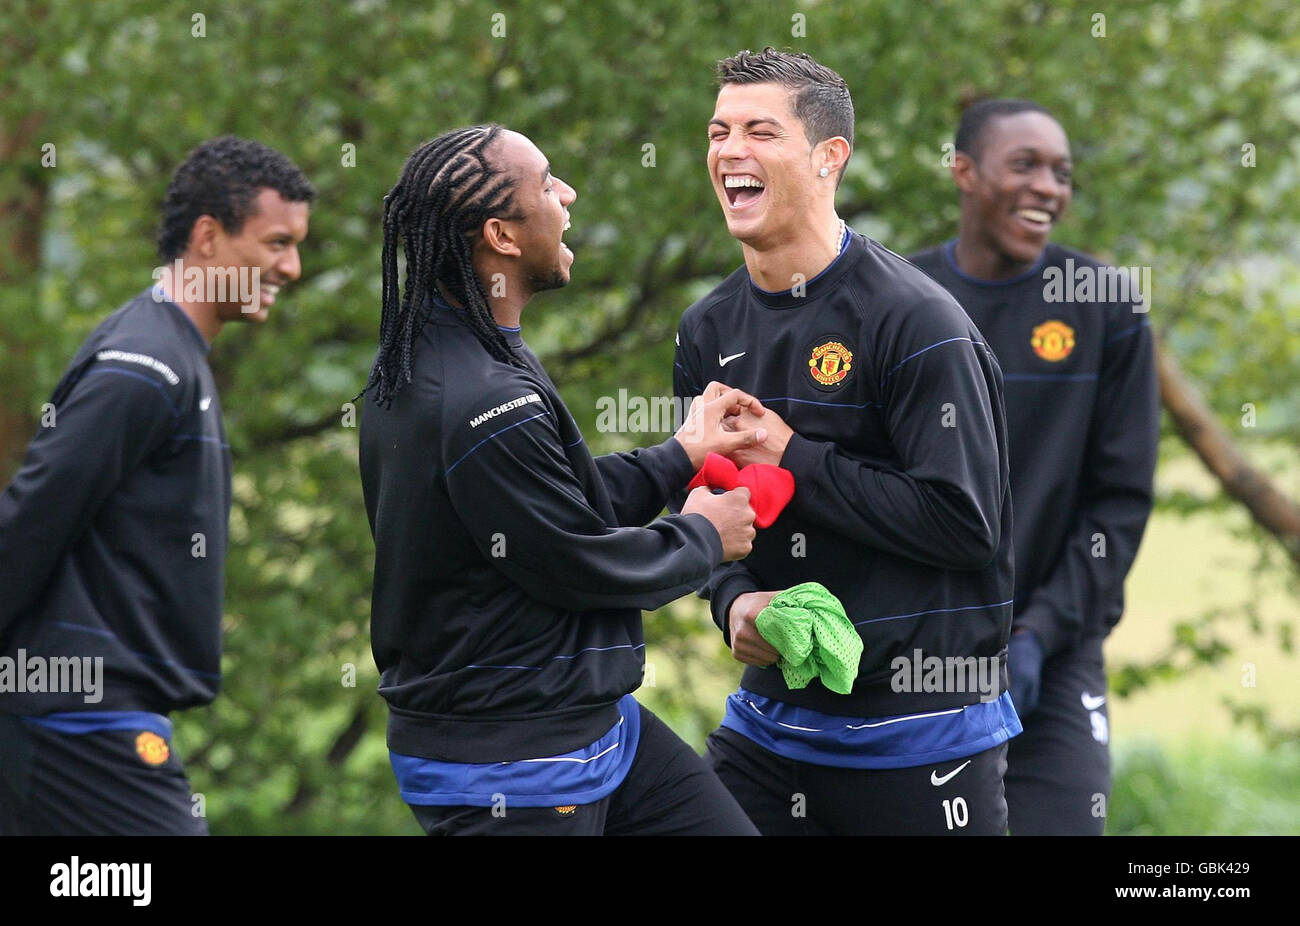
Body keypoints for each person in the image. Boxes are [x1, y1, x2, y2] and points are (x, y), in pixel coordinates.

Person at [358, 124, 764, 835]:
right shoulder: (485, 399)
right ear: (502, 238)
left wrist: (680, 453)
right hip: (512, 763)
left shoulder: (442, 354)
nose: (568, 195)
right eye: (547, 184)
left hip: (594, 725)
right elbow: (580, 561)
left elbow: (544, 505)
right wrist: (705, 535)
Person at [673, 48, 1020, 835]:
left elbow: (966, 526)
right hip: (770, 729)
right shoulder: (706, 329)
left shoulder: (915, 323)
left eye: (761, 131)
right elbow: (704, 505)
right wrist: (732, 602)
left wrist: (795, 456)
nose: (730, 151)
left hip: (917, 733)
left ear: (830, 157)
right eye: (718, 130)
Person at [0, 136, 314, 835]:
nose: (291, 267)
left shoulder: (173, 355)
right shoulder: (144, 366)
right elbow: (30, 520)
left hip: (90, 714)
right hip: (81, 721)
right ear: (208, 236)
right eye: (276, 243)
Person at [909, 99, 1158, 835]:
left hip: (1052, 649)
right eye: (1025, 165)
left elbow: (1118, 504)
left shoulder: (1104, 306)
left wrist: (1039, 634)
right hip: (921, 656)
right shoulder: (902, 299)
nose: (1049, 186)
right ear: (963, 172)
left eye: (1062, 172)